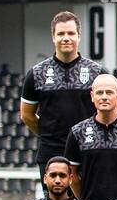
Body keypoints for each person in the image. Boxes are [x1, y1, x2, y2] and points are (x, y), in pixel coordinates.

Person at [21, 11, 103, 172]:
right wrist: (48, 134)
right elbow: (26, 115)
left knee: (87, 198)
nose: (66, 38)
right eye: (61, 34)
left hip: (88, 151)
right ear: (53, 37)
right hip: (51, 154)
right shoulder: (36, 74)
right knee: (54, 198)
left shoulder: (97, 73)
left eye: (71, 33)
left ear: (79, 36)